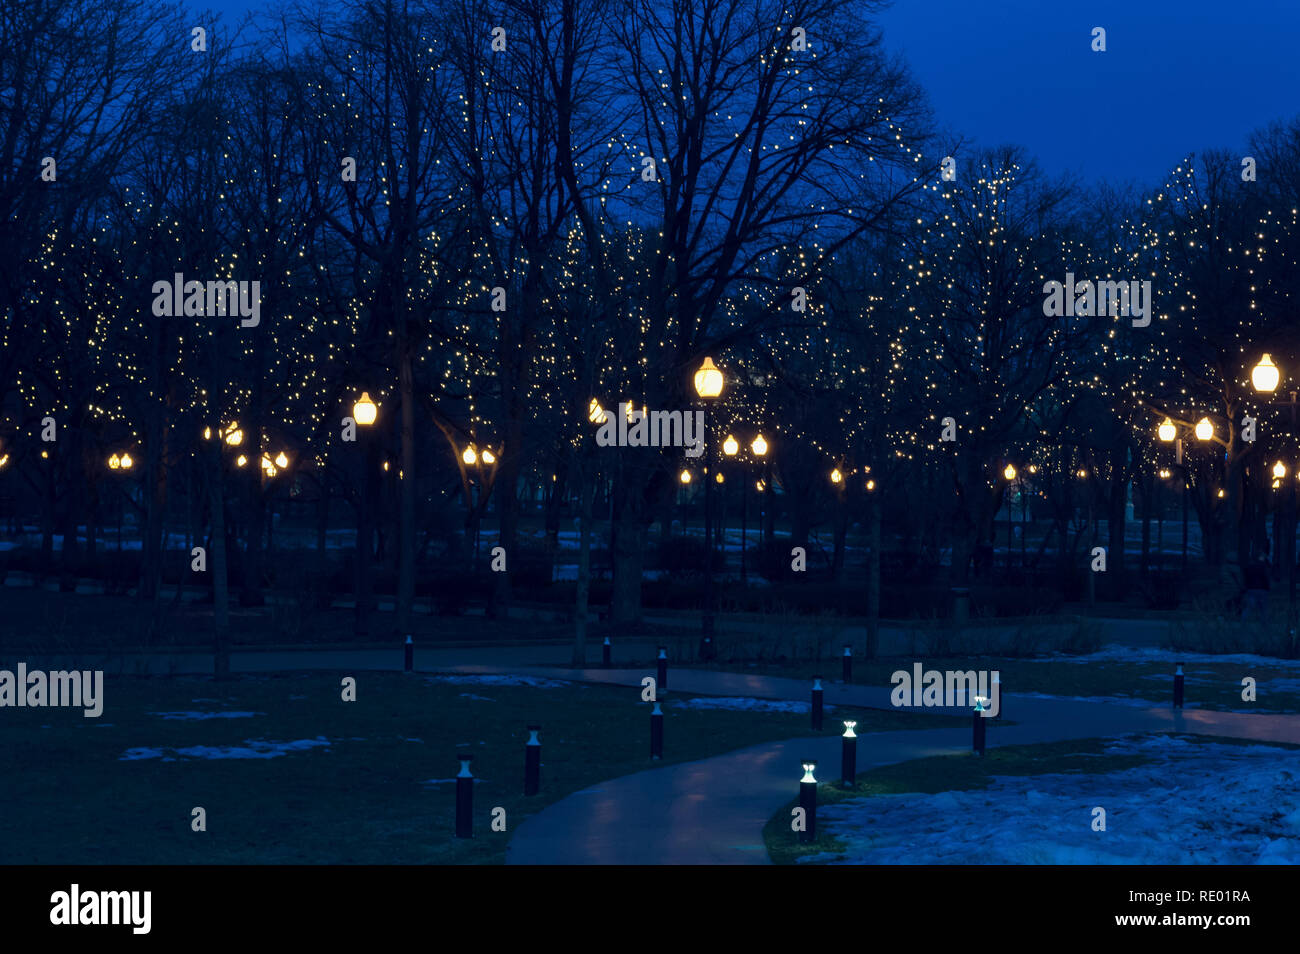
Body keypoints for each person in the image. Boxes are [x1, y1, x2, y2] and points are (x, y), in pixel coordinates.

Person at [1242, 556, 1271, 620]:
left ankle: (1243, 622)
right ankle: (1265, 625)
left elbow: (1246, 579)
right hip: (1262, 590)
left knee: (1249, 607)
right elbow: (1266, 578)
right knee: (1263, 608)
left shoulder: (1248, 567)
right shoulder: (1264, 568)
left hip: (1251, 589)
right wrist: (1268, 588)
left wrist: (1246, 587)